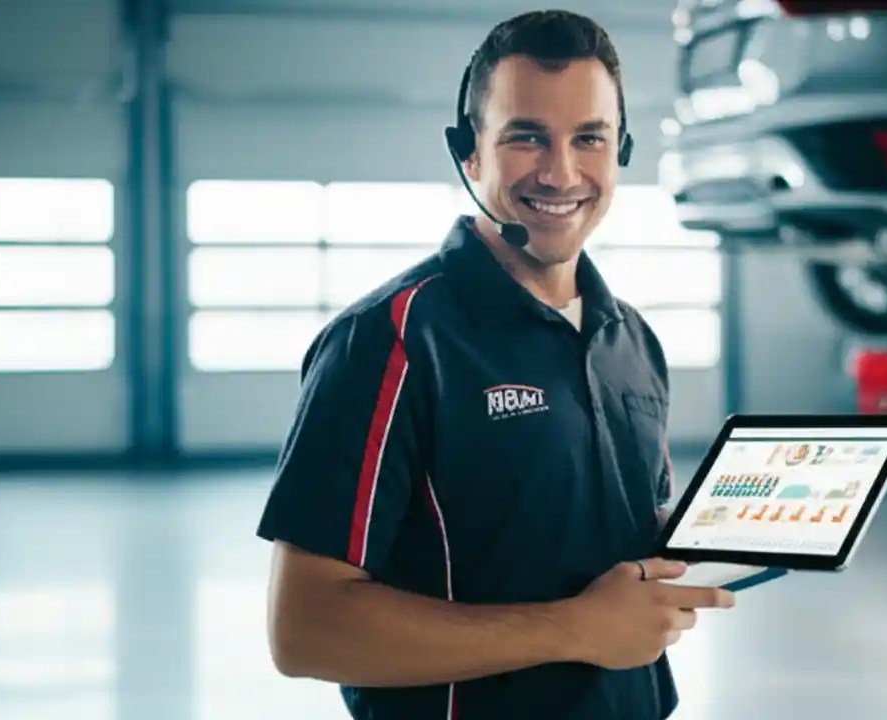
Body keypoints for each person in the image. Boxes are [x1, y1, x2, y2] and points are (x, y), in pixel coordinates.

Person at [256, 10, 735, 720]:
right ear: (469, 153)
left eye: (589, 139)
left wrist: (703, 536)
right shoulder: (389, 340)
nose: (562, 172)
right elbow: (304, 628)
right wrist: (576, 629)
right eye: (526, 137)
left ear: (621, 152)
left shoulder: (630, 339)